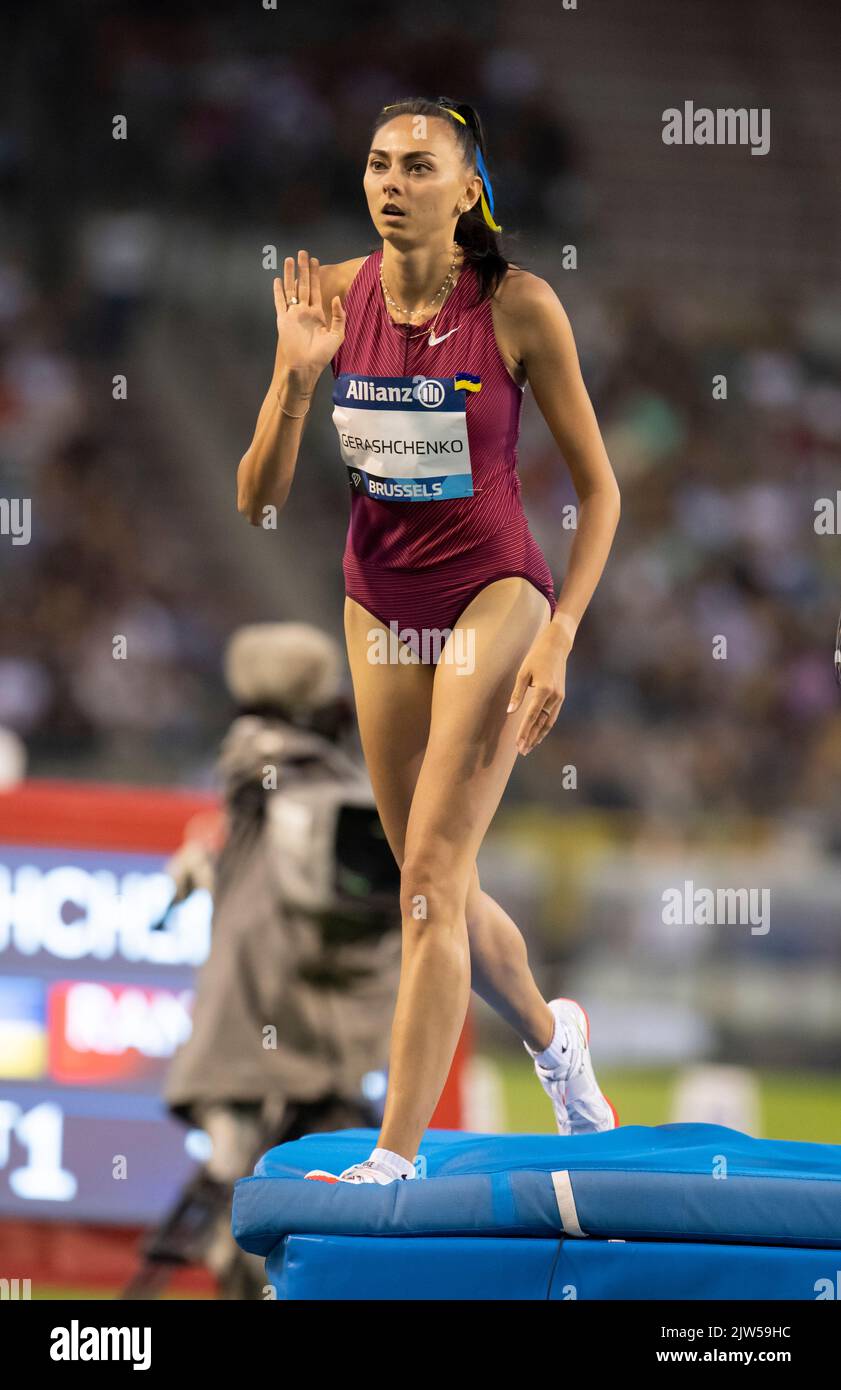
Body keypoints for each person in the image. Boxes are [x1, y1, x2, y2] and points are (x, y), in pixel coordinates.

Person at [236, 96, 621, 1186]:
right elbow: (255, 499)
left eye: (417, 166)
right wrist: (294, 380)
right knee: (430, 880)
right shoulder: (333, 299)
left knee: (433, 877)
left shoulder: (520, 309)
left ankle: (393, 1154)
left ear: (467, 191)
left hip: (493, 592)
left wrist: (558, 636)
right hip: (377, 600)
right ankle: (555, 1041)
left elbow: (600, 497)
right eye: (375, 165)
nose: (390, 183)